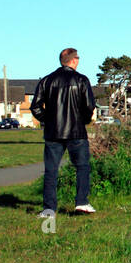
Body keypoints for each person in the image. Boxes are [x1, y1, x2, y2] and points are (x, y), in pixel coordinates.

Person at [30, 48, 97, 217]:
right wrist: (84, 120)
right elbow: (89, 106)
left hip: (53, 132)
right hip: (77, 132)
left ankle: (49, 208)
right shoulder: (81, 80)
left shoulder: (46, 81)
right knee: (82, 167)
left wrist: (48, 120)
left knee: (51, 170)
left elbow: (35, 107)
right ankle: (81, 202)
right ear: (74, 60)